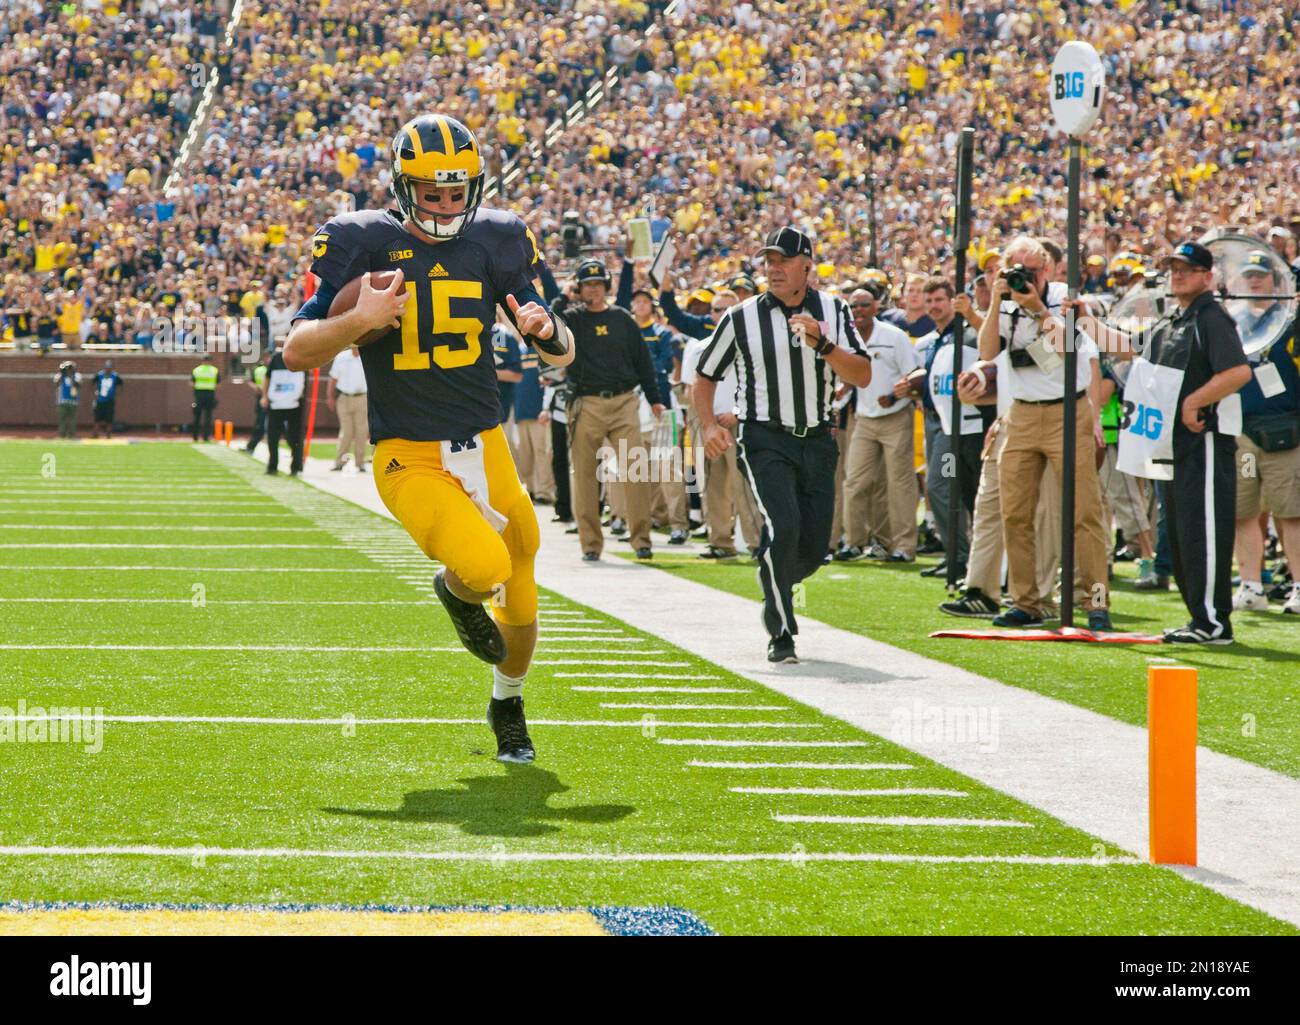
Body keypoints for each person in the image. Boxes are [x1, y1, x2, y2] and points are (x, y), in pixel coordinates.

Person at [282, 114, 573, 762]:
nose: (445, 205)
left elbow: (562, 351)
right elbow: (295, 349)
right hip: (408, 453)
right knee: (484, 567)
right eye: (431, 193)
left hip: (483, 439)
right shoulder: (362, 240)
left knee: (522, 564)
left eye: (455, 191)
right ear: (402, 184)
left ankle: (508, 701)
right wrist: (359, 318)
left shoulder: (497, 238)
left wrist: (543, 326)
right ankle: (454, 590)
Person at [694, 227, 872, 663]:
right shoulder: (741, 317)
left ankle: (774, 579)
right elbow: (705, 374)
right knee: (784, 527)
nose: (773, 269)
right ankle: (782, 631)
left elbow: (863, 375)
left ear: (806, 266)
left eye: (783, 261)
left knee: (813, 549)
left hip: (817, 438)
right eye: (767, 261)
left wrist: (824, 344)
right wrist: (707, 425)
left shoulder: (834, 308)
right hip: (764, 437)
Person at [1116, 241, 1252, 643]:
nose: (1177, 275)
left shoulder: (1211, 317)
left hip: (1205, 441)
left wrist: (1195, 400)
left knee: (1203, 529)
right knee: (1182, 532)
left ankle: (1212, 621)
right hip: (1174, 445)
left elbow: (1238, 371)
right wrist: (1080, 324)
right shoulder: (1174, 318)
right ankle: (1200, 618)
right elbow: (1133, 349)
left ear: (1207, 276)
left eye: (1187, 269)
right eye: (1173, 268)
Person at [977, 235, 1111, 631]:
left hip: (1066, 412)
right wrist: (995, 302)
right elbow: (987, 352)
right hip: (1021, 413)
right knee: (1015, 512)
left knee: (1084, 510)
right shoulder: (1003, 304)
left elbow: (1069, 349)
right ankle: (1026, 601)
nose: (1024, 278)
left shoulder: (1065, 300)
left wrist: (1035, 306)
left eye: (1030, 271)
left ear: (1048, 270)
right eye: (1015, 270)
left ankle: (1096, 600)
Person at [553, 258, 664, 562]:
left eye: (599, 284)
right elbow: (550, 325)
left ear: (607, 286)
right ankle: (590, 544)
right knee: (585, 476)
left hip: (624, 400)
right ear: (580, 288)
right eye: (588, 284)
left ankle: (641, 539)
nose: (594, 290)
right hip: (586, 402)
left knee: (635, 471)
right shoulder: (572, 318)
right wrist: (564, 295)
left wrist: (654, 398)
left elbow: (644, 361)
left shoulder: (623, 319)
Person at [1231, 255, 1300, 616]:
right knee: (1243, 512)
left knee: (1291, 513)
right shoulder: (1235, 322)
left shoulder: (1290, 321)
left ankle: (1299, 586)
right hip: (1242, 433)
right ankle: (1251, 585)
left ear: (1276, 282)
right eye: (1249, 276)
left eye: (1261, 276)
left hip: (1284, 432)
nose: (1254, 282)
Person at [838, 283, 919, 561]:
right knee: (855, 482)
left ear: (876, 307)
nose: (859, 310)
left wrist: (896, 393)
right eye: (854, 306)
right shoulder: (847, 338)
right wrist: (845, 389)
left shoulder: (894, 336)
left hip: (895, 416)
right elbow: (851, 373)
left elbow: (913, 374)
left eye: (864, 304)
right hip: (864, 417)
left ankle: (904, 547)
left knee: (900, 483)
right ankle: (854, 542)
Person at [262, 348, 305, 476]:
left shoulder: (301, 356)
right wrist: (265, 396)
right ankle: (272, 466)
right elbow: (267, 377)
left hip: (294, 404)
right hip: (276, 404)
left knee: (294, 438)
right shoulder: (276, 358)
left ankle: (296, 467)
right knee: (272, 438)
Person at [327, 343, 369, 472]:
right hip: (344, 397)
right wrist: (330, 397)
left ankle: (360, 463)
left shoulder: (367, 357)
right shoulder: (341, 357)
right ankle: (340, 462)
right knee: (346, 432)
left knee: (362, 431)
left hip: (362, 397)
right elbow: (333, 378)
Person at [244, 351, 272, 453]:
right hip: (262, 398)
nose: (267, 359)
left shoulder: (274, 368)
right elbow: (250, 380)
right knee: (259, 424)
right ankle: (251, 447)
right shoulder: (258, 369)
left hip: (273, 399)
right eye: (266, 357)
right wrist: (256, 387)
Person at [191, 353, 220, 442]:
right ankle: (206, 437)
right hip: (210, 394)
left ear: (202, 361)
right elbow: (218, 383)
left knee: (197, 416)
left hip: (199, 394)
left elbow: (191, 382)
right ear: (210, 361)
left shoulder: (197, 370)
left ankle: (195, 436)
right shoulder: (214, 370)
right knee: (208, 416)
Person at [91, 359, 122, 439]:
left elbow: (121, 385)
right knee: (97, 418)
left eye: (109, 367)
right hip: (100, 400)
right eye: (106, 367)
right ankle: (95, 433)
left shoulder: (115, 376)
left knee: (109, 418)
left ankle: (108, 434)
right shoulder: (100, 375)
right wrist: (95, 392)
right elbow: (92, 382)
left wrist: (116, 393)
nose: (108, 369)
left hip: (110, 400)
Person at [53, 361, 81, 439]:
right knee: (62, 419)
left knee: (72, 420)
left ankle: (72, 435)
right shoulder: (60, 376)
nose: (68, 370)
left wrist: (72, 375)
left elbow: (78, 384)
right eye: (67, 368)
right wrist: (62, 373)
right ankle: (62, 435)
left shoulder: (76, 376)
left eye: (70, 368)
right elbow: (56, 383)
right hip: (62, 401)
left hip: (73, 401)